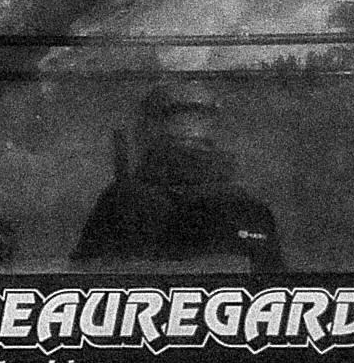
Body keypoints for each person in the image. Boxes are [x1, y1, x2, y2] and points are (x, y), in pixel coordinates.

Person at [74, 81, 282, 271]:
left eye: (198, 118)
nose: (189, 128)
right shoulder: (122, 201)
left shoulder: (245, 207)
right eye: (179, 119)